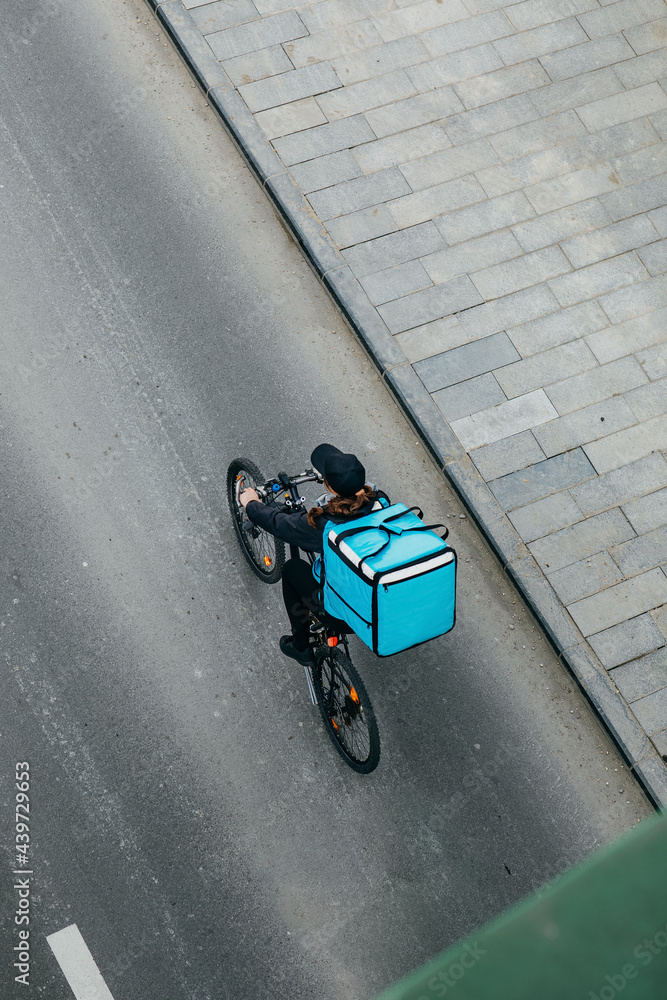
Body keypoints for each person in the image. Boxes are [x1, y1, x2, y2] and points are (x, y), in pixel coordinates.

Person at [239, 444, 388, 666]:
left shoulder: (323, 524)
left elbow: (279, 524)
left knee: (291, 569)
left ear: (328, 485)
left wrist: (251, 503)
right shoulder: (381, 501)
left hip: (343, 615)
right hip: (380, 603)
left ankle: (301, 646)